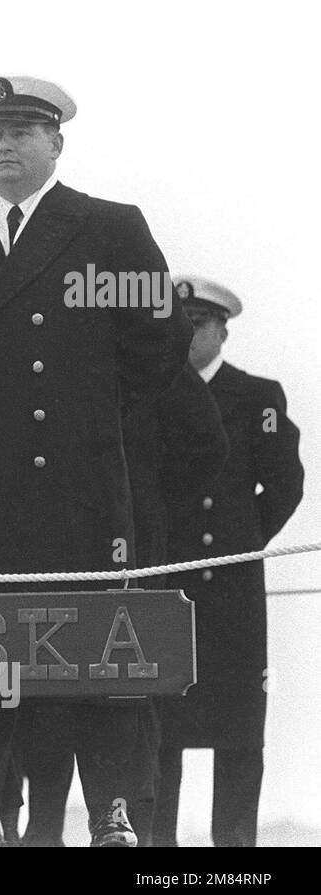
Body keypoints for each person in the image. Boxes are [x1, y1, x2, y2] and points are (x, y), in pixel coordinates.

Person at [0, 75, 192, 847]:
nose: (5, 146)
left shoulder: (107, 227)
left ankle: (113, 808)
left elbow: (158, 344)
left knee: (98, 646)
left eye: (22, 132)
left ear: (55, 143)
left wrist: (84, 412)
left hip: (78, 484)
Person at [15, 361, 228, 846]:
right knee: (46, 677)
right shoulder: (45, 348)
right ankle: (43, 830)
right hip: (49, 535)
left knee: (128, 682)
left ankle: (124, 824)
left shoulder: (146, 356)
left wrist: (147, 499)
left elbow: (207, 444)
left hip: (129, 538)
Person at [154, 276, 304, 847]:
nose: (186, 335)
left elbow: (284, 482)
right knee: (159, 728)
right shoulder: (149, 396)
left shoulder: (257, 397)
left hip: (233, 591)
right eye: (177, 325)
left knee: (239, 729)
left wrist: (243, 541)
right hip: (167, 585)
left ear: (222, 331)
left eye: (197, 324)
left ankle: (235, 850)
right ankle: (155, 847)